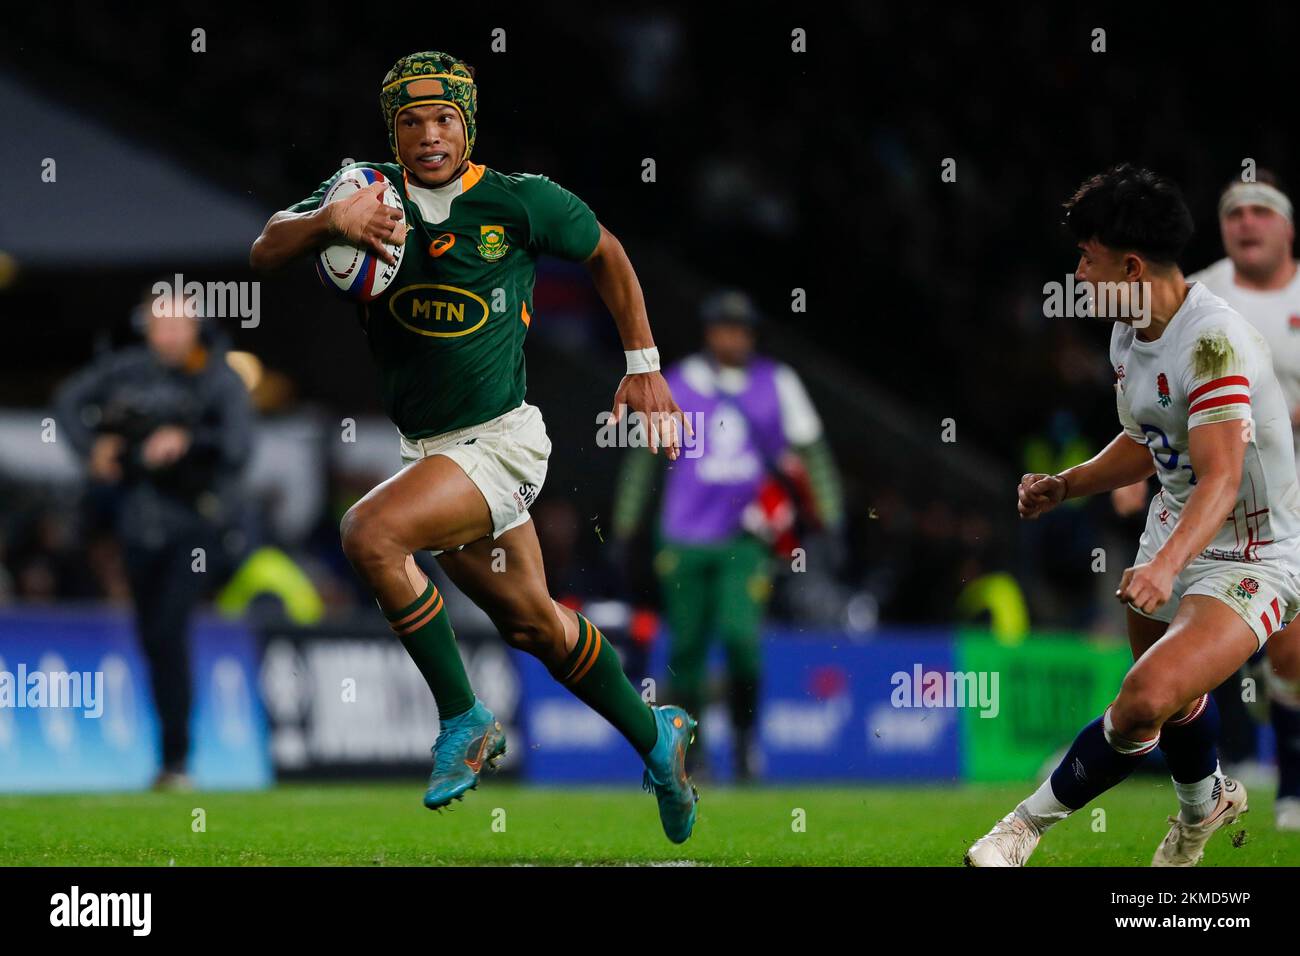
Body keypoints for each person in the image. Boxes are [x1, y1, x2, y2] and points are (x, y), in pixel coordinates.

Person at [249, 51, 699, 842]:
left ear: (468, 124)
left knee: (369, 532)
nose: (429, 135)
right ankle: (655, 736)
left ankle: (463, 717)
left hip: (501, 442)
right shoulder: (360, 192)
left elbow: (607, 252)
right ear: (393, 130)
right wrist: (330, 223)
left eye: (445, 119)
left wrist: (643, 366)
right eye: (412, 121)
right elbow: (264, 250)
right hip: (430, 451)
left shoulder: (519, 202)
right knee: (533, 624)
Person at [967, 164, 1300, 867]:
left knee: (1143, 696)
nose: (1079, 273)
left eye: (1087, 259)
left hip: (1252, 553)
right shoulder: (1131, 330)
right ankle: (1202, 809)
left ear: (1131, 263)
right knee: (1173, 703)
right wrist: (1070, 483)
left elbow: (1223, 473)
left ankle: (1020, 830)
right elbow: (1151, 436)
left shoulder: (1214, 342)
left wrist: (1167, 566)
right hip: (1175, 528)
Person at [612, 290, 843, 779]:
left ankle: (743, 740)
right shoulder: (677, 382)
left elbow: (813, 454)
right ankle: (691, 750)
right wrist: (626, 524)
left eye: (740, 329)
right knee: (685, 654)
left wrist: (832, 517)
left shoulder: (777, 382)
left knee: (741, 640)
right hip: (683, 537)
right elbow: (640, 460)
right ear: (709, 332)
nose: (732, 337)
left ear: (752, 334)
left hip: (746, 539)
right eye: (723, 327)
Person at [54, 289, 254, 789]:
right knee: (151, 637)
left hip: (198, 531)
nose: (168, 335)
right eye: (160, 325)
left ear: (193, 328)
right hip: (139, 526)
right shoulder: (124, 371)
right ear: (147, 328)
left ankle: (178, 758)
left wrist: (188, 443)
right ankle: (170, 759)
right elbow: (68, 401)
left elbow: (237, 447)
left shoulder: (217, 376)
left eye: (177, 324)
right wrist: (93, 447)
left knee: (168, 630)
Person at [1189, 174, 1300, 830]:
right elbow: (1162, 385)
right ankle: (1216, 785)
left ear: (1287, 227)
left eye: (1262, 211)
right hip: (1226, 500)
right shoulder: (1205, 294)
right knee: (1248, 645)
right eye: (1234, 211)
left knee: (1290, 654)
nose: (1247, 222)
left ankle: (1287, 781)